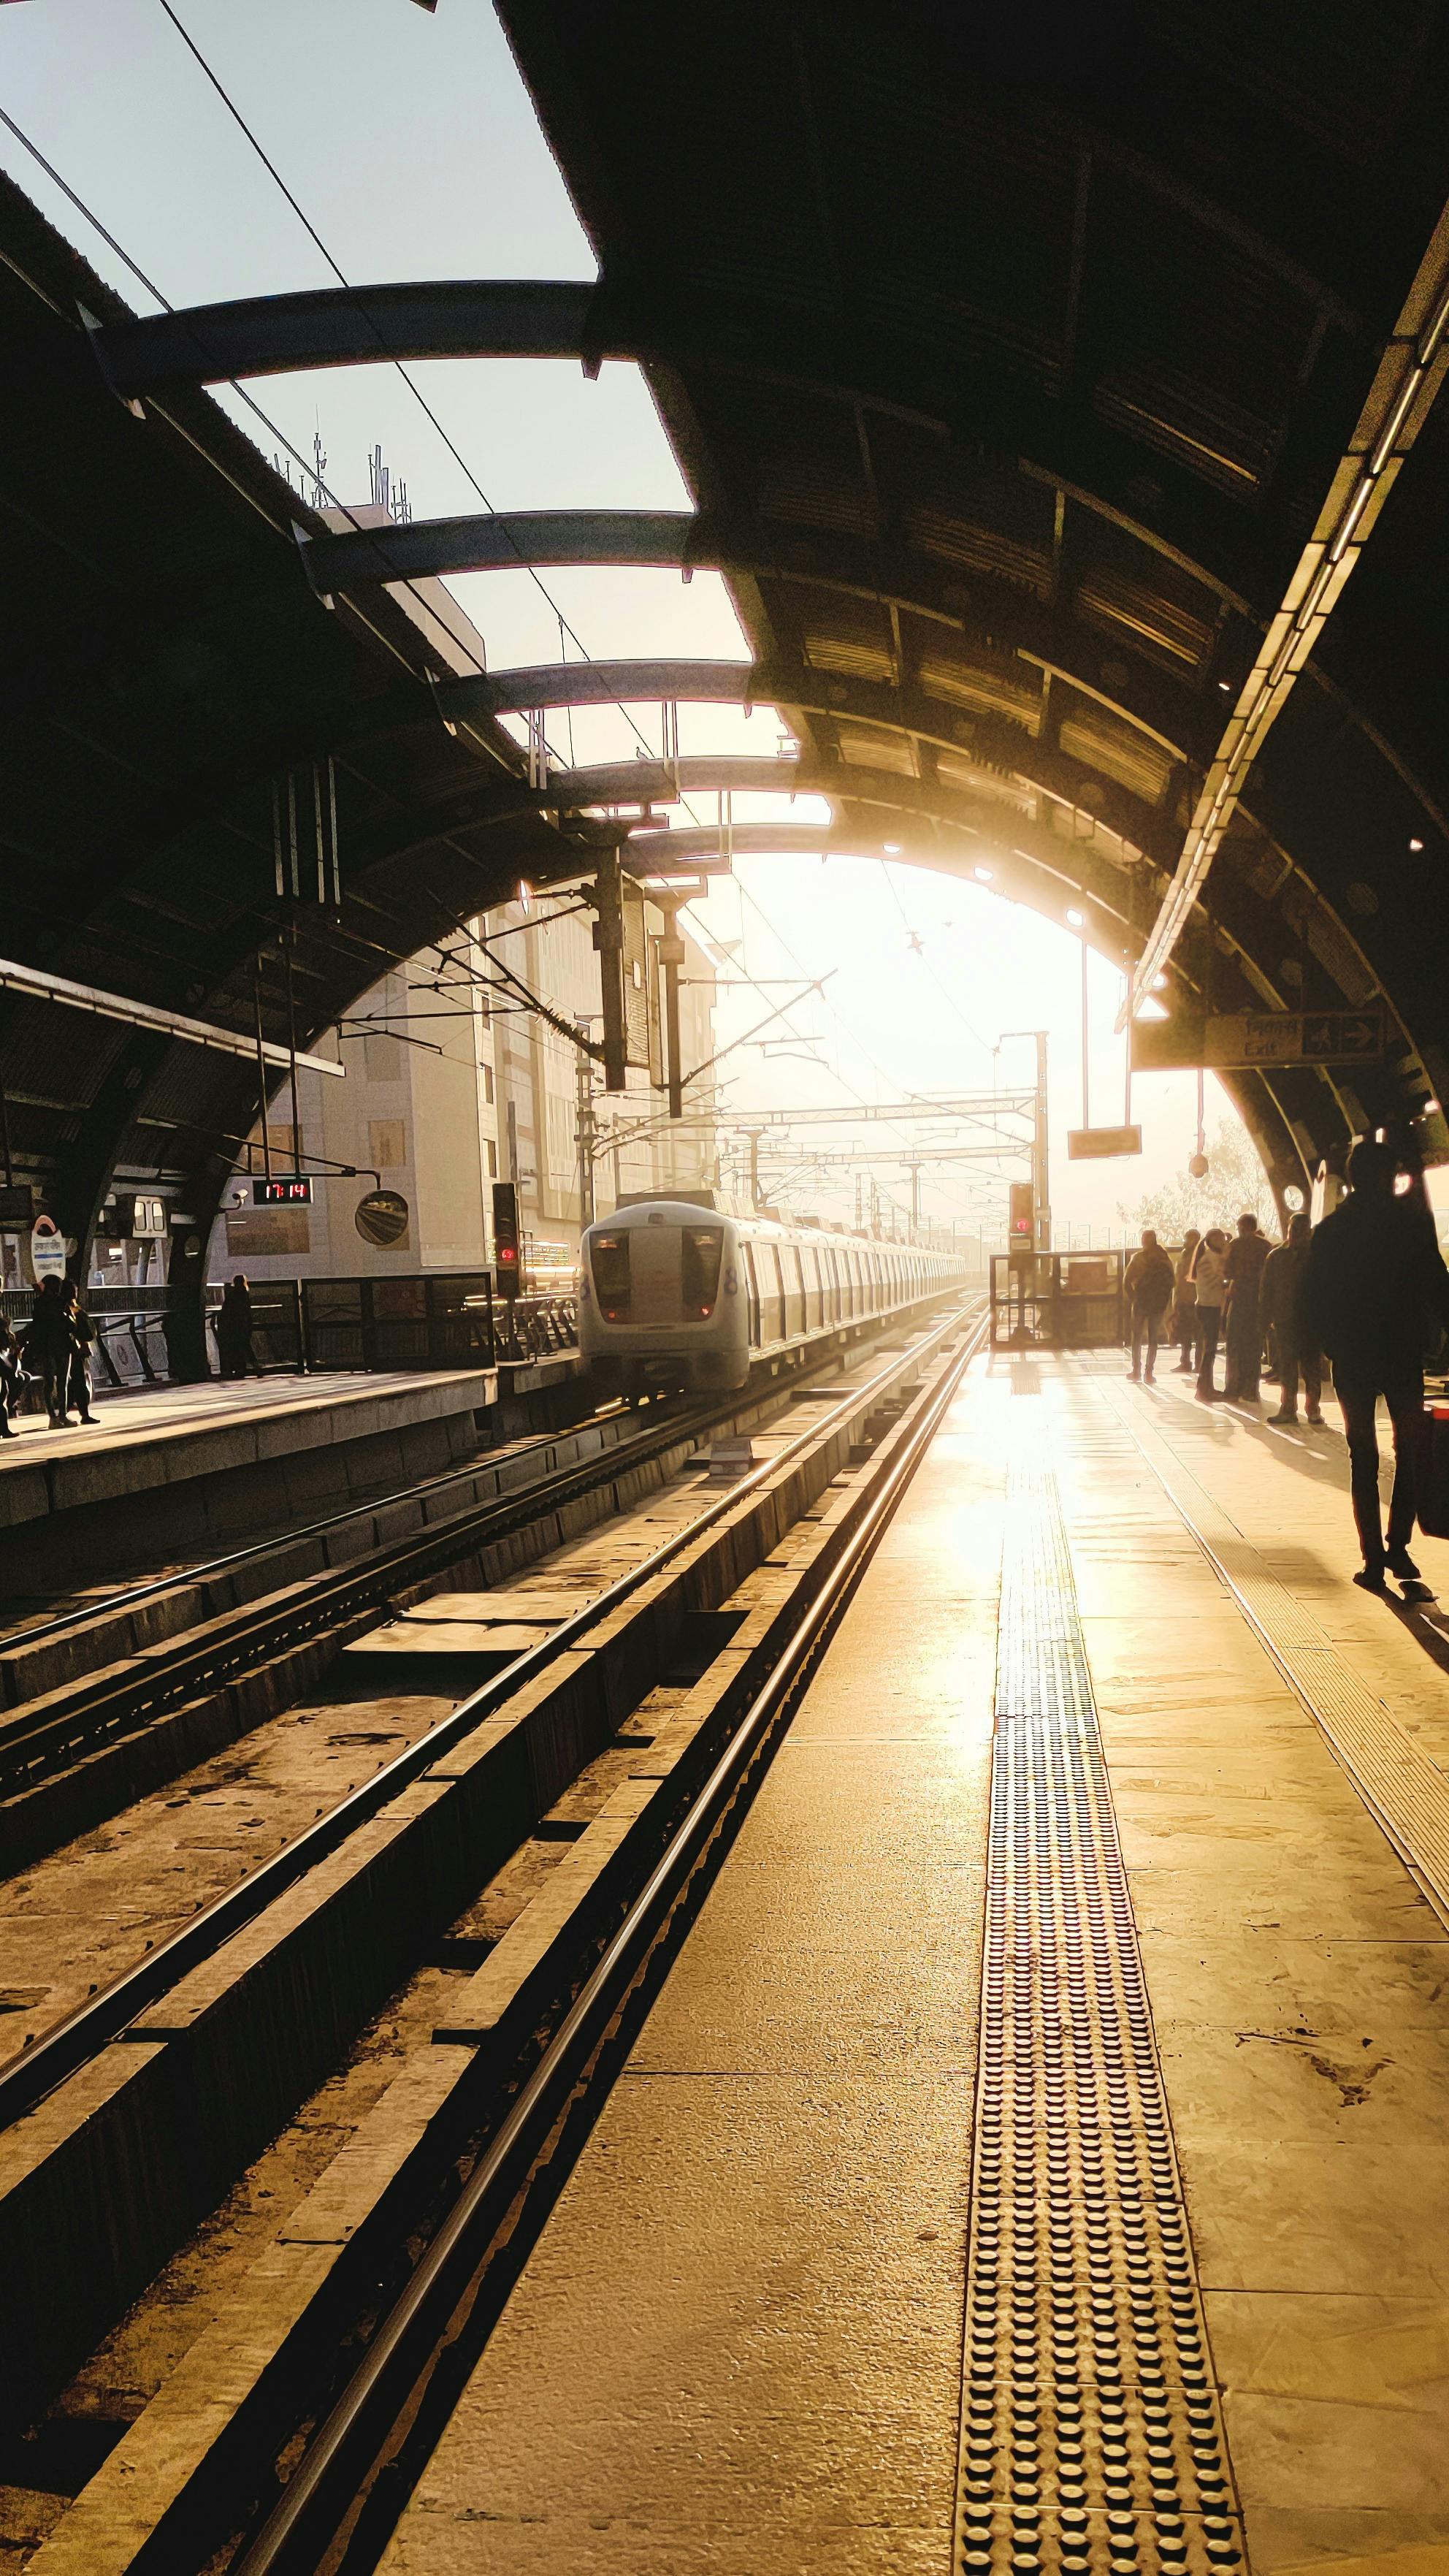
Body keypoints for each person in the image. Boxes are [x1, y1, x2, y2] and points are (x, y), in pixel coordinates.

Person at [1299, 1137, 1449, 1591]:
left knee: (1362, 1455)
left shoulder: (1331, 1231)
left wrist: (1325, 1347)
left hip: (1354, 1357)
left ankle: (1373, 1560)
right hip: (1402, 1352)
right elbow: (1437, 1284)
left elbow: (1312, 1297)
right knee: (1410, 1452)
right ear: (1390, 1176)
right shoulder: (1411, 1225)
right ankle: (1398, 1546)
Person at [1261, 1212, 1324, 1428]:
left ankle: (1313, 1408)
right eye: (1294, 1229)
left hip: (1310, 1320)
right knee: (1287, 1367)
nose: (1297, 1233)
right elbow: (1267, 1290)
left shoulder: (1317, 1257)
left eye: (1302, 1229)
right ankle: (1288, 1408)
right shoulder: (1276, 1257)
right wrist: (1266, 1317)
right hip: (1285, 1319)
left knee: (1311, 1367)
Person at [1223, 1211, 1272, 1401]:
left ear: (1243, 1227)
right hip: (1258, 1301)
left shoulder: (1235, 1245)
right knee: (1254, 1347)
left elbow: (1227, 1271)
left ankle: (1234, 1387)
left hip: (1239, 1299)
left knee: (1235, 1345)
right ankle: (1252, 1390)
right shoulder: (1266, 1246)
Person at [18, 1275, 75, 1427]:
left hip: (45, 1347)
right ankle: (62, 1415)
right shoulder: (61, 1303)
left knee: (49, 1382)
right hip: (62, 1346)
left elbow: (37, 1326)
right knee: (63, 1382)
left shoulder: (38, 1303)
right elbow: (71, 1326)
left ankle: (52, 1417)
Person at [1123, 1229, 1177, 1383]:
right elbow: (1171, 1282)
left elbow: (1126, 1281)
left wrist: (1134, 1298)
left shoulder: (1138, 1259)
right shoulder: (1164, 1259)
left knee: (1137, 1338)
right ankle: (1149, 1372)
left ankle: (1136, 1370)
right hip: (1158, 1304)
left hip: (1141, 1302)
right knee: (1154, 1339)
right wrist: (1165, 1301)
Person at [1191, 1228, 1229, 1401]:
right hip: (1208, 1308)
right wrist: (1227, 1281)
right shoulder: (1207, 1260)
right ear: (1212, 1241)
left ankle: (1208, 1387)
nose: (1223, 1241)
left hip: (1211, 1307)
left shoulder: (1214, 1258)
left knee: (1211, 1349)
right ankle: (1204, 1388)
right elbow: (1214, 1282)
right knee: (1210, 1350)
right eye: (1220, 1238)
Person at [64, 1285, 96, 1425]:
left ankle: (63, 1413)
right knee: (78, 1381)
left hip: (73, 1349)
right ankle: (82, 1414)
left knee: (73, 1383)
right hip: (75, 1349)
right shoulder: (74, 1310)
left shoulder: (68, 1308)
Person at [217, 1274, 256, 1380]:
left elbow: (226, 1310)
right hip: (243, 1325)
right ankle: (252, 1367)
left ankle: (235, 1369)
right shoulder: (245, 1294)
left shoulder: (232, 1294)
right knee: (244, 1347)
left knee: (235, 1348)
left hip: (232, 1325)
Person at [1172, 1230, 1201, 1373]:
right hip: (1185, 1300)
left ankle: (1196, 1362)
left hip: (1194, 1300)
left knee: (1196, 1333)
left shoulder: (1199, 1256)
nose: (1185, 1242)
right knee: (1186, 1334)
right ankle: (1187, 1361)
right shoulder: (1184, 1255)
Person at [0, 1315, 20, 1438]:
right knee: (2, 1397)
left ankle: (3, 1429)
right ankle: (4, 1429)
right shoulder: (3, 1335)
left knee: (3, 1394)